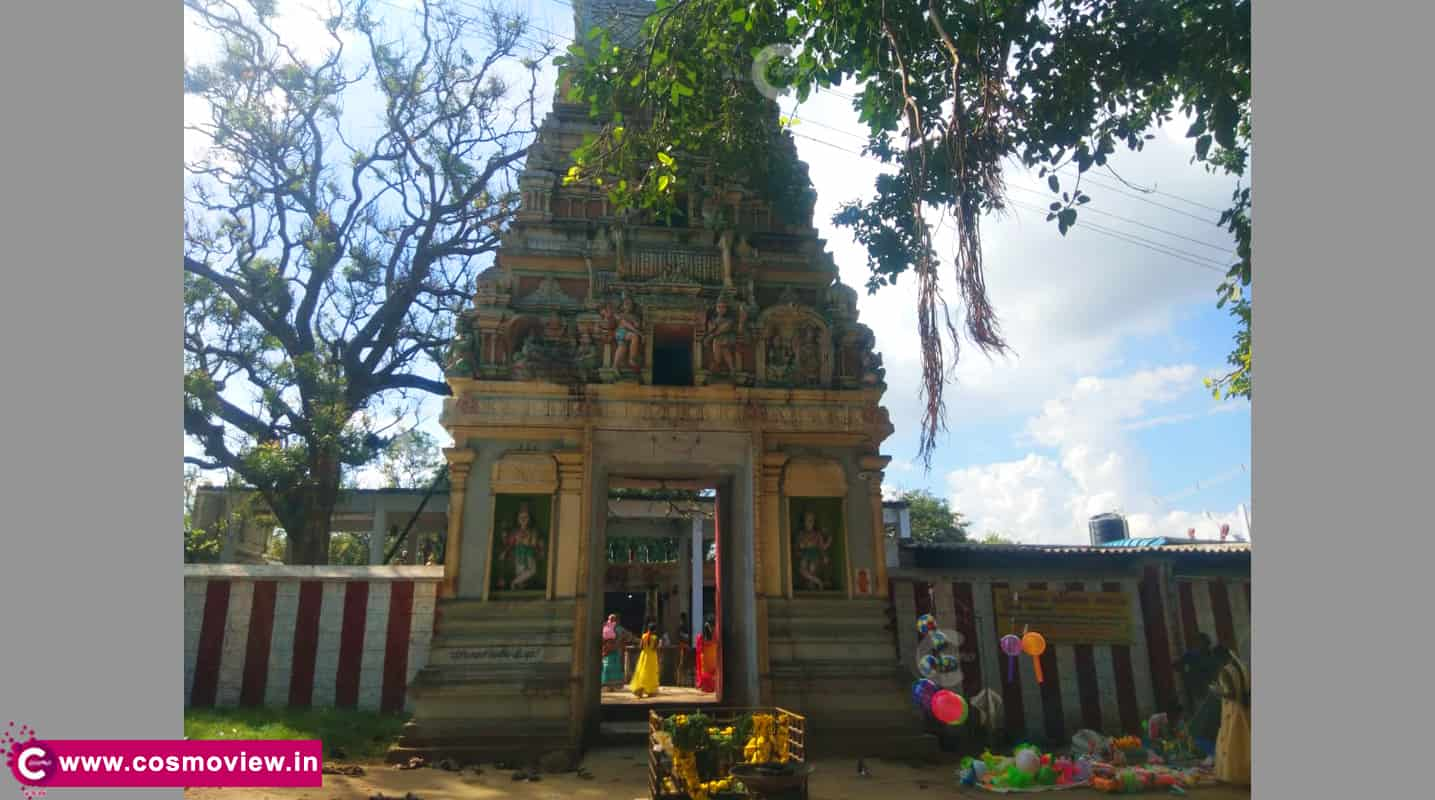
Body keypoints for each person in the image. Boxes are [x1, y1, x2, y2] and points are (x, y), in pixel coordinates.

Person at [1213, 652, 1251, 785]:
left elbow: (1232, 693)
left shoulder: (1225, 671)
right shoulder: (1243, 670)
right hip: (1245, 709)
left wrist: (1217, 692)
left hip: (1232, 711)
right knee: (1244, 742)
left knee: (1230, 742)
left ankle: (1232, 775)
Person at [629, 622, 661, 699]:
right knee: (650, 673)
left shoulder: (644, 636)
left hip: (644, 656)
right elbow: (655, 648)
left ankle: (640, 691)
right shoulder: (655, 638)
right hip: (651, 657)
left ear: (648, 628)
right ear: (655, 630)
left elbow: (641, 647)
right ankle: (650, 691)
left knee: (642, 672)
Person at [600, 614, 629, 692]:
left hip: (615, 651)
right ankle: (609, 686)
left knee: (612, 667)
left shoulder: (618, 629)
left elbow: (626, 638)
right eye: (610, 619)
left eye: (612, 619)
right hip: (610, 651)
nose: (610, 621)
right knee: (609, 667)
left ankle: (612, 686)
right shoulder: (606, 628)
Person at [694, 617, 719, 693]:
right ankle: (712, 687)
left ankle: (705, 687)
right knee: (712, 673)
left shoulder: (701, 638)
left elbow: (699, 650)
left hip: (705, 658)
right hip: (713, 657)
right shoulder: (715, 637)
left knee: (705, 673)